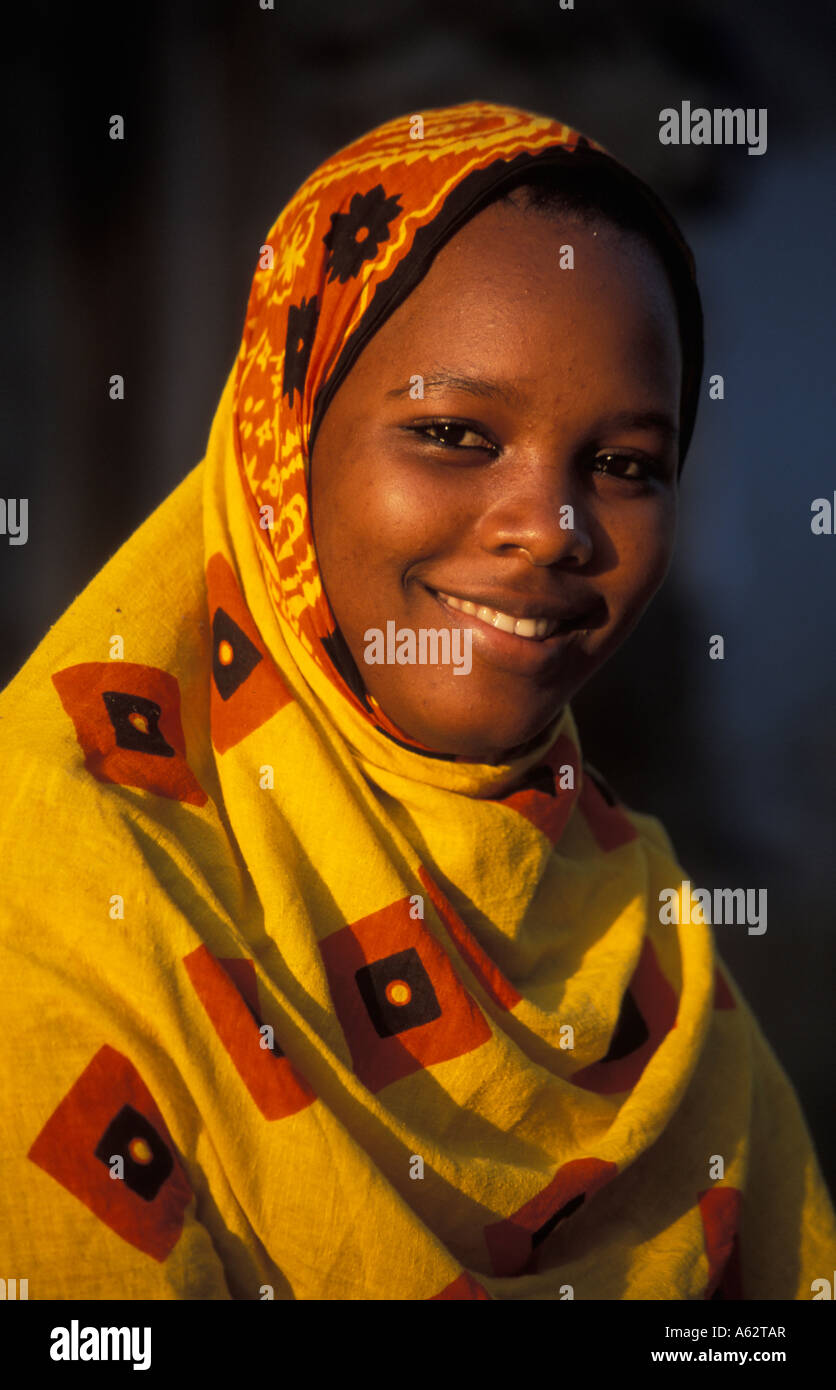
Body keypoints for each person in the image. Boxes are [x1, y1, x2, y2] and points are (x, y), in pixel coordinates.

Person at [0, 101, 833, 1301]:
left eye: (623, 465)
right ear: (281, 443)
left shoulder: (640, 949)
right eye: (452, 432)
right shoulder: (66, 879)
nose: (549, 529)